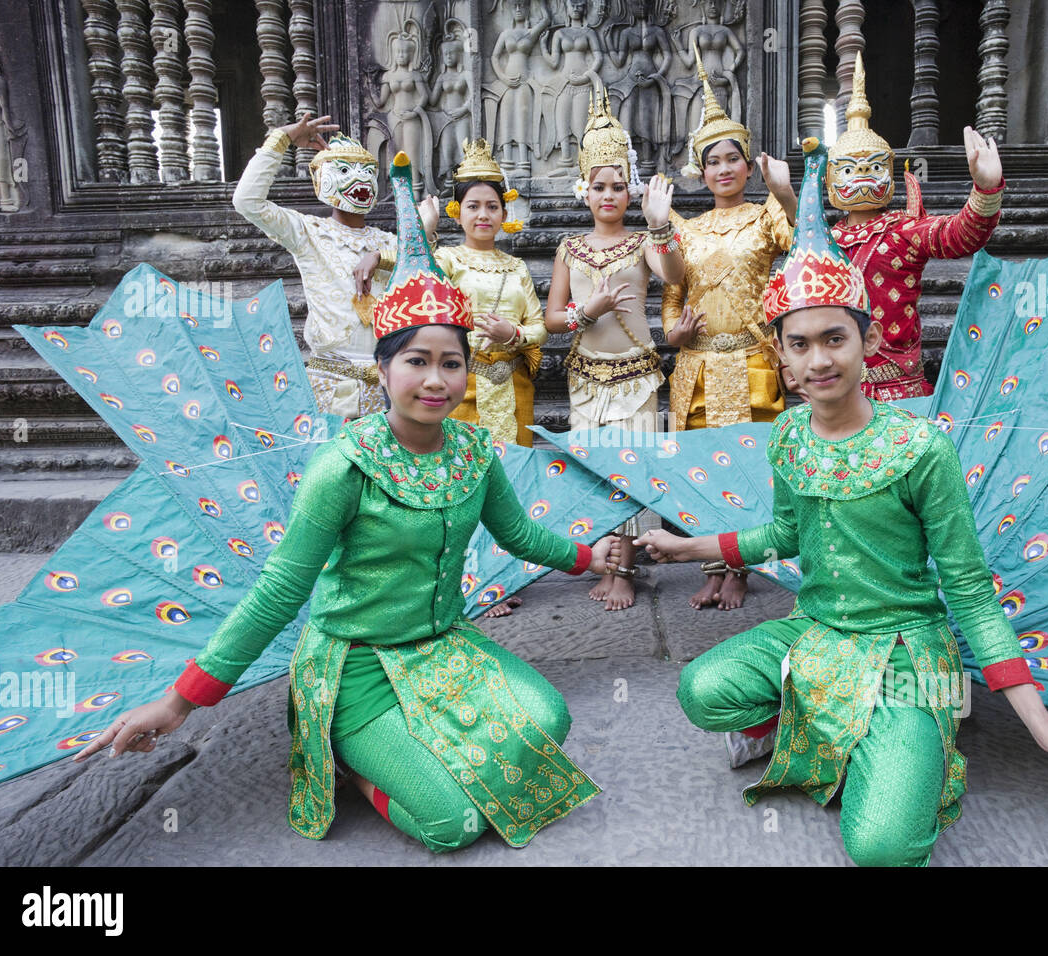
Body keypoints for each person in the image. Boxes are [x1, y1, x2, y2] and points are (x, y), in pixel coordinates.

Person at [76, 151, 621, 854]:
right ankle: (345, 757)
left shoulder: (473, 453)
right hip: (357, 664)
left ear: (466, 369)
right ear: (382, 367)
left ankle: (421, 746)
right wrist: (182, 701)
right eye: (416, 361)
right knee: (451, 822)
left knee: (549, 720)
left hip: (443, 647)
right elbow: (278, 593)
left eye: (450, 361)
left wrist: (593, 557)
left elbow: (519, 537)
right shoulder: (343, 466)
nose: (435, 379)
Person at [635, 139, 1048, 867]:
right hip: (818, 631)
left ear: (867, 339)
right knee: (702, 691)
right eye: (799, 345)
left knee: (884, 848)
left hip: (907, 647)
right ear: (781, 354)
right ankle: (823, 721)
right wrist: (689, 548)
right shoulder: (788, 437)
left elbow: (966, 586)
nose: (819, 360)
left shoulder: (921, 448)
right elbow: (782, 533)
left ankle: (913, 724)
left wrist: (1044, 726)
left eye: (835, 338)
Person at [357, 138, 543, 618]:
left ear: (506, 212)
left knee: (508, 481)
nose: (484, 215)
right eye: (475, 205)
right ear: (459, 211)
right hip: (464, 386)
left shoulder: (518, 267)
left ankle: (504, 573)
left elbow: (541, 324)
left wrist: (515, 331)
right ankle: (469, 576)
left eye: (493, 206)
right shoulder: (449, 260)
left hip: (510, 382)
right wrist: (379, 256)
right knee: (461, 479)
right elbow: (411, 268)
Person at [661, 45, 797, 611]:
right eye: (713, 161)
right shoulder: (686, 231)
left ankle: (742, 569)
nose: (723, 169)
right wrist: (673, 334)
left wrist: (785, 190)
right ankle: (712, 567)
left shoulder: (766, 216)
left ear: (748, 165)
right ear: (701, 170)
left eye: (732, 159)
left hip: (750, 364)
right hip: (696, 366)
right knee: (702, 471)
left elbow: (800, 240)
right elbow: (672, 296)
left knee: (748, 470)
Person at [544, 87, 684, 611]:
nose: (609, 196)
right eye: (600, 186)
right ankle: (602, 555)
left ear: (631, 192)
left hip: (635, 374)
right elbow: (553, 319)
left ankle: (625, 569)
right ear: (585, 190)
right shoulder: (569, 248)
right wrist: (591, 310)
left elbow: (675, 273)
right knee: (594, 468)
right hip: (586, 374)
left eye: (619, 186)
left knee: (630, 467)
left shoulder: (642, 242)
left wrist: (659, 224)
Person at [814, 52, 1004, 402]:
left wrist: (985, 189)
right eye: (849, 170)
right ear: (829, 181)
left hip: (898, 392)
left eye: (873, 168)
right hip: (835, 389)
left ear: (890, 174)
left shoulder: (904, 230)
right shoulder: (825, 241)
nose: (862, 178)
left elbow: (960, 235)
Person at [233, 113, 397, 420]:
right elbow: (247, 201)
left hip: (388, 384)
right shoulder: (308, 232)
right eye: (346, 170)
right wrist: (281, 138)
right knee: (332, 466)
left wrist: (379, 258)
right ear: (322, 178)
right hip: (330, 384)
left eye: (366, 171)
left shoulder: (388, 243)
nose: (359, 179)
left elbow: (425, 264)